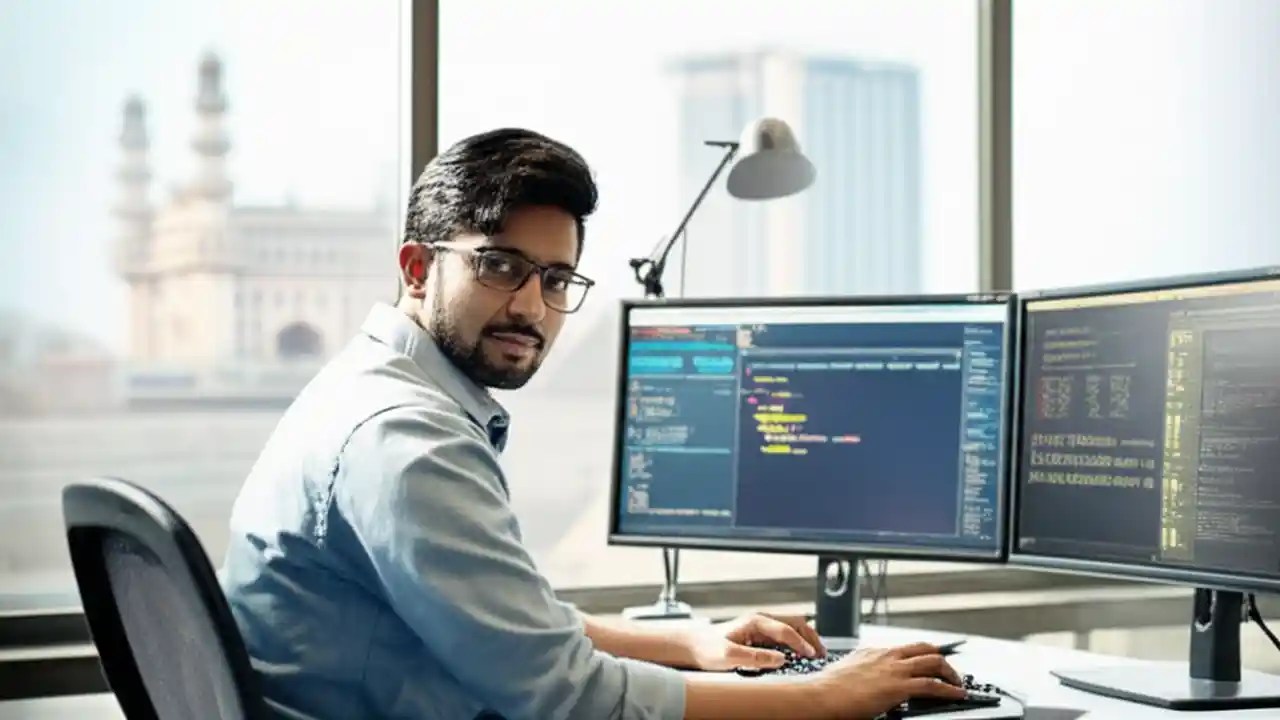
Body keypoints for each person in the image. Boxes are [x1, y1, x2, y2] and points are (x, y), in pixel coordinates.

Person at [219, 128, 967, 719]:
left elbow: (513, 630)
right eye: (500, 266)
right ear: (417, 268)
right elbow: (569, 698)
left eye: (554, 278)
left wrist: (692, 643)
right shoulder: (407, 440)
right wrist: (826, 697)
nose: (531, 307)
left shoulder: (370, 388)